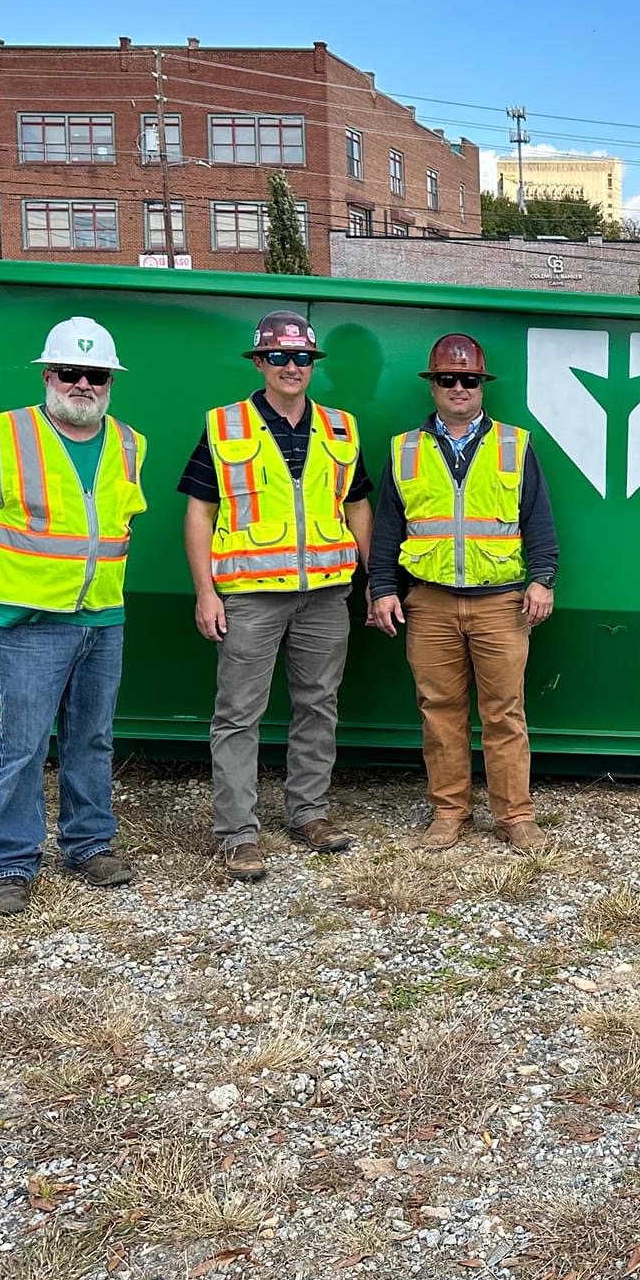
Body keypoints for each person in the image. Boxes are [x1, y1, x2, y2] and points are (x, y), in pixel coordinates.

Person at [0, 317, 147, 917]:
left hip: (104, 617)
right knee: (22, 745)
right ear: (48, 375)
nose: (83, 384)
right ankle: (10, 863)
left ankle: (89, 845)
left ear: (110, 381)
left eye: (96, 374)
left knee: (93, 739)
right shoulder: (3, 434)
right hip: (31, 620)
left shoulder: (131, 444)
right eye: (70, 372)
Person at [180, 310, 374, 882]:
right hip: (249, 596)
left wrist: (373, 580)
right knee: (239, 713)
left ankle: (308, 813)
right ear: (260, 362)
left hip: (325, 595)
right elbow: (200, 511)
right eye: (280, 357)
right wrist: (204, 592)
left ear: (313, 365)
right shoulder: (225, 426)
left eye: (303, 358)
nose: (292, 368)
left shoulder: (342, 427)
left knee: (319, 704)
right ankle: (237, 833)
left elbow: (358, 503)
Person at [368, 333, 558, 854]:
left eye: (468, 379)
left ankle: (515, 817)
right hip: (427, 603)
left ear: (481, 386)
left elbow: (537, 518)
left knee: (504, 713)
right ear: (433, 386)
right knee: (439, 709)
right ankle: (448, 812)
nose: (458, 387)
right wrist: (381, 588)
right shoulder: (404, 449)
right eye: (447, 379)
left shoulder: (514, 445)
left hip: (500, 602)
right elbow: (388, 527)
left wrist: (543, 578)